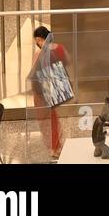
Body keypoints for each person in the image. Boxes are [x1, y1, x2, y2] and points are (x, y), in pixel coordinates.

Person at [30, 26, 70, 159]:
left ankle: (55, 147)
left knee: (47, 119)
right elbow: (67, 62)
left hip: (44, 89)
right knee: (53, 117)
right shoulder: (60, 48)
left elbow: (34, 73)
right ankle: (57, 144)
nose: (38, 43)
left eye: (39, 40)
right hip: (58, 85)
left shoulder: (39, 54)